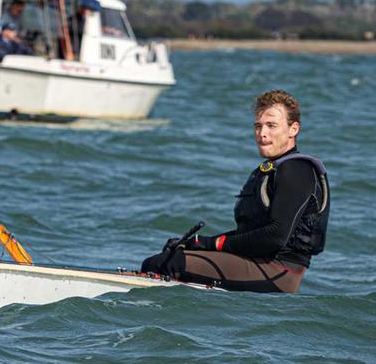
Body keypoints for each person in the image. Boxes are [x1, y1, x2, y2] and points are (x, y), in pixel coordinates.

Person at [141, 90, 330, 293]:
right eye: (258, 126)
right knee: (173, 255)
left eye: (271, 126)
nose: (262, 133)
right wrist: (195, 243)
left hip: (278, 271)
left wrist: (208, 242)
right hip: (256, 264)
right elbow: (248, 235)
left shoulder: (297, 170)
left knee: (164, 264)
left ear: (293, 129)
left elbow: (275, 236)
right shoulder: (273, 170)